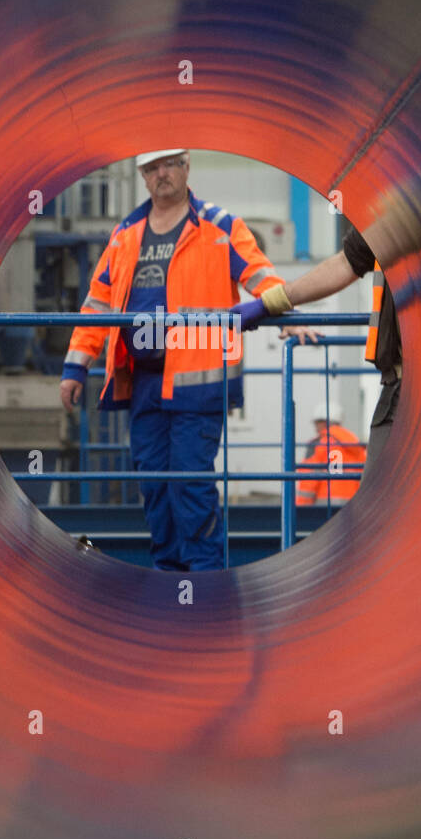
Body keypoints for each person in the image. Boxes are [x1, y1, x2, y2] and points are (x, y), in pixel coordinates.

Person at [59, 150, 317, 571]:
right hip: (142, 382)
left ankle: (204, 583)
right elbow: (97, 304)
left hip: (197, 382)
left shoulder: (220, 225)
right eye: (152, 168)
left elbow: (260, 273)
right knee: (155, 487)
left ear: (186, 167)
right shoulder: (125, 235)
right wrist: (76, 366)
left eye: (169, 164)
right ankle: (169, 579)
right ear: (143, 176)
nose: (161, 174)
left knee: (190, 485)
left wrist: (282, 312)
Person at [233, 222, 402, 476]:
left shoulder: (420, 207)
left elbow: (347, 263)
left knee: (387, 502)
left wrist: (268, 304)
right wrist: (270, 303)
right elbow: (349, 261)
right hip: (400, 389)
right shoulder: (399, 213)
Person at [296, 404, 367, 505]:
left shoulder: (317, 443)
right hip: (352, 505)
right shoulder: (356, 444)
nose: (315, 428)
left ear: (323, 422)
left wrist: (301, 507)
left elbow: (308, 478)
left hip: (324, 506)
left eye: (316, 423)